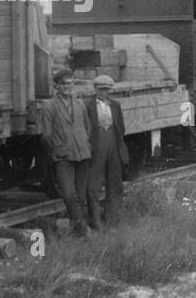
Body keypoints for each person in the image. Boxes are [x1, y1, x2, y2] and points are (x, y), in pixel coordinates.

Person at [38, 68, 94, 237]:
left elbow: (87, 127)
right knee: (69, 195)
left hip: (82, 154)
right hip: (62, 156)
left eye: (70, 83)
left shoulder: (79, 104)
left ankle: (78, 231)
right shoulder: (49, 107)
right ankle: (83, 230)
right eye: (63, 84)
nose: (67, 87)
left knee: (81, 195)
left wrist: (84, 143)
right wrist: (56, 150)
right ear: (56, 86)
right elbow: (46, 136)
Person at [85, 75, 130, 226]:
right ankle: (95, 220)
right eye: (101, 89)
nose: (104, 93)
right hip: (96, 146)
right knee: (93, 185)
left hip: (113, 144)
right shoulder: (88, 106)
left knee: (115, 182)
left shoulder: (115, 105)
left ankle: (113, 218)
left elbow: (121, 127)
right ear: (95, 89)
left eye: (107, 90)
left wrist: (117, 144)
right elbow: (86, 127)